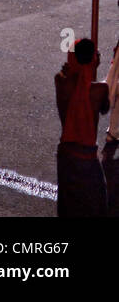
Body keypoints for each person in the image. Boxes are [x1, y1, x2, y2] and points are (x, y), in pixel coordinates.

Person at [55, 39, 111, 217]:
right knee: (97, 203)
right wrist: (94, 69)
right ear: (94, 59)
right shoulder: (100, 89)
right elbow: (104, 108)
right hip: (87, 154)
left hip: (66, 151)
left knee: (67, 204)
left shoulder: (60, 81)